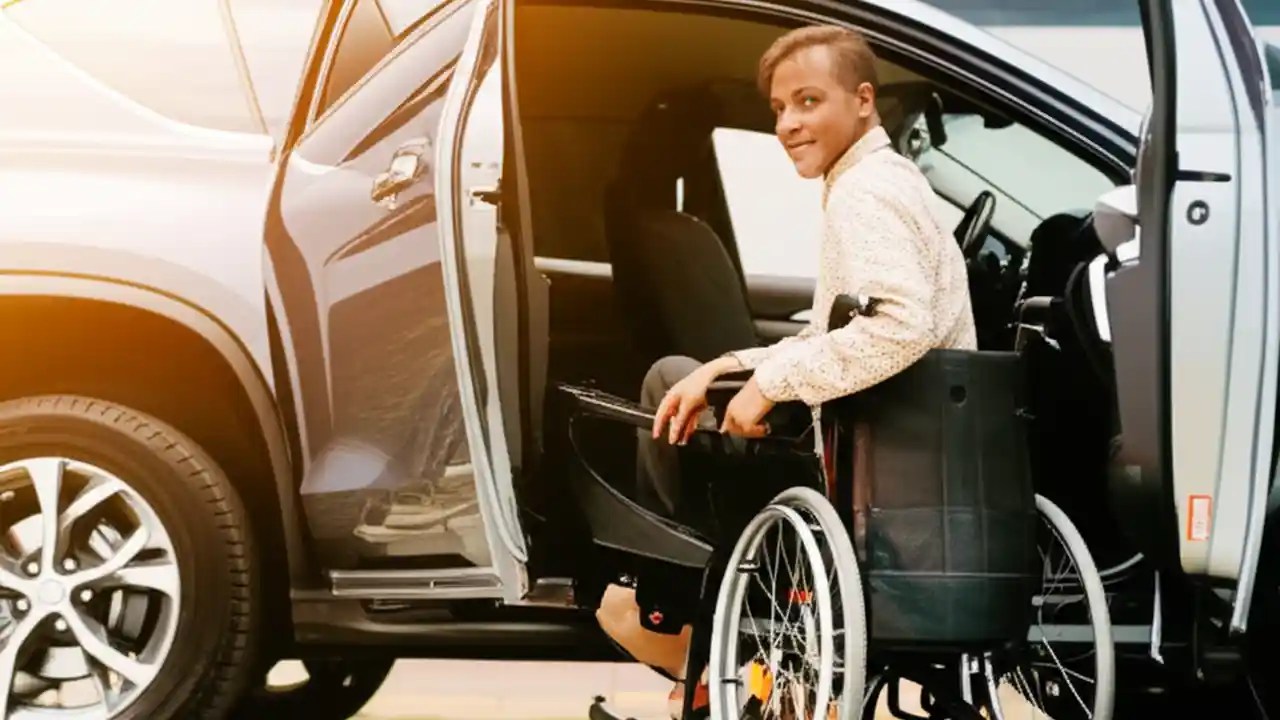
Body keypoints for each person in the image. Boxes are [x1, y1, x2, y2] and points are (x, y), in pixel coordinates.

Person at [595, 23, 977, 716]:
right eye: (778, 108)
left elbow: (899, 326)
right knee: (682, 378)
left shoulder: (865, 194)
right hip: (903, 443)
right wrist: (733, 365)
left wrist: (773, 384)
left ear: (863, 100)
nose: (788, 123)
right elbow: (846, 331)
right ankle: (692, 645)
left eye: (807, 101)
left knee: (662, 403)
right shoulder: (878, 179)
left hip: (877, 465)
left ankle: (676, 618)